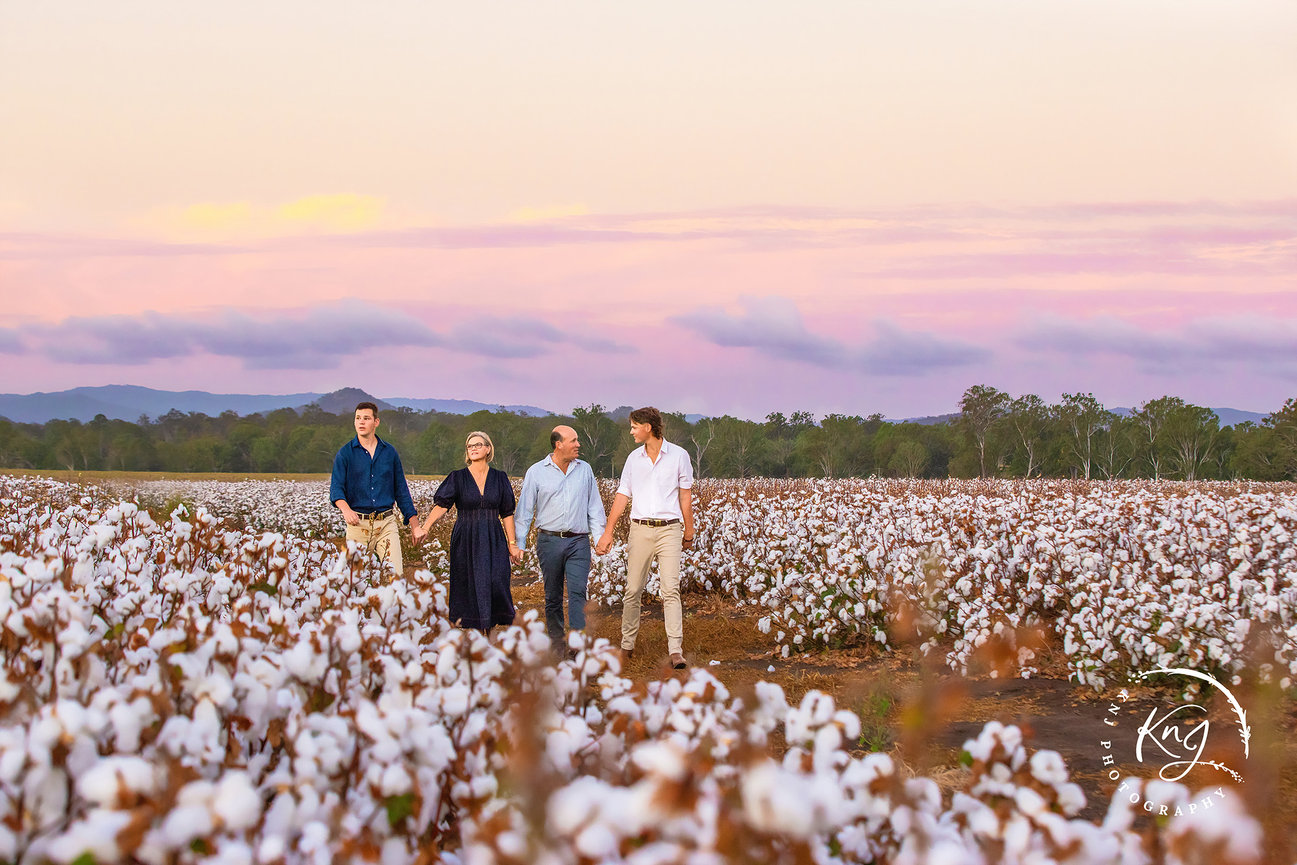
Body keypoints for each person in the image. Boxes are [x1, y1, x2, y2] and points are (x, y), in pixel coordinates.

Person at [595, 407, 695, 669]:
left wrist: (689, 528)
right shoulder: (633, 459)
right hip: (639, 530)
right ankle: (626, 647)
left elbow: (685, 495)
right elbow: (622, 496)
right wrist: (608, 532)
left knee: (670, 590)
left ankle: (676, 650)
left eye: (634, 426)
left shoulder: (679, 456)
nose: (631, 431)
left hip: (669, 529)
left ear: (648, 427)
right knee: (633, 590)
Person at [414, 431, 522, 633]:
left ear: (488, 448)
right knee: (469, 581)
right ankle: (476, 630)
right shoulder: (457, 477)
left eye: (478, 444)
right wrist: (426, 527)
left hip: (493, 536)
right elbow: (442, 505)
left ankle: (490, 626)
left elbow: (507, 513)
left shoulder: (499, 478)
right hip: (466, 535)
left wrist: (512, 544)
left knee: (496, 578)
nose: (473, 448)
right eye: (469, 446)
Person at [515, 425, 607, 656]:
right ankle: (557, 642)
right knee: (552, 595)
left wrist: (599, 537)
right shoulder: (536, 472)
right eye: (573, 441)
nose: (578, 445)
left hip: (578, 541)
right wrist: (519, 544)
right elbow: (524, 511)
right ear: (558, 444)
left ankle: (577, 646)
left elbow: (594, 505)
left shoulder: (584, 470)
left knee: (578, 592)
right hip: (549, 541)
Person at [330, 401, 419, 577]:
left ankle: (390, 605)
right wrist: (346, 510)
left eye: (366, 418)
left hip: (386, 523)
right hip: (357, 524)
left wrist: (415, 525)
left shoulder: (389, 453)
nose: (361, 422)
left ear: (376, 422)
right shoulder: (345, 453)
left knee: (394, 577)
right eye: (358, 418)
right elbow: (336, 488)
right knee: (354, 581)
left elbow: (401, 490)